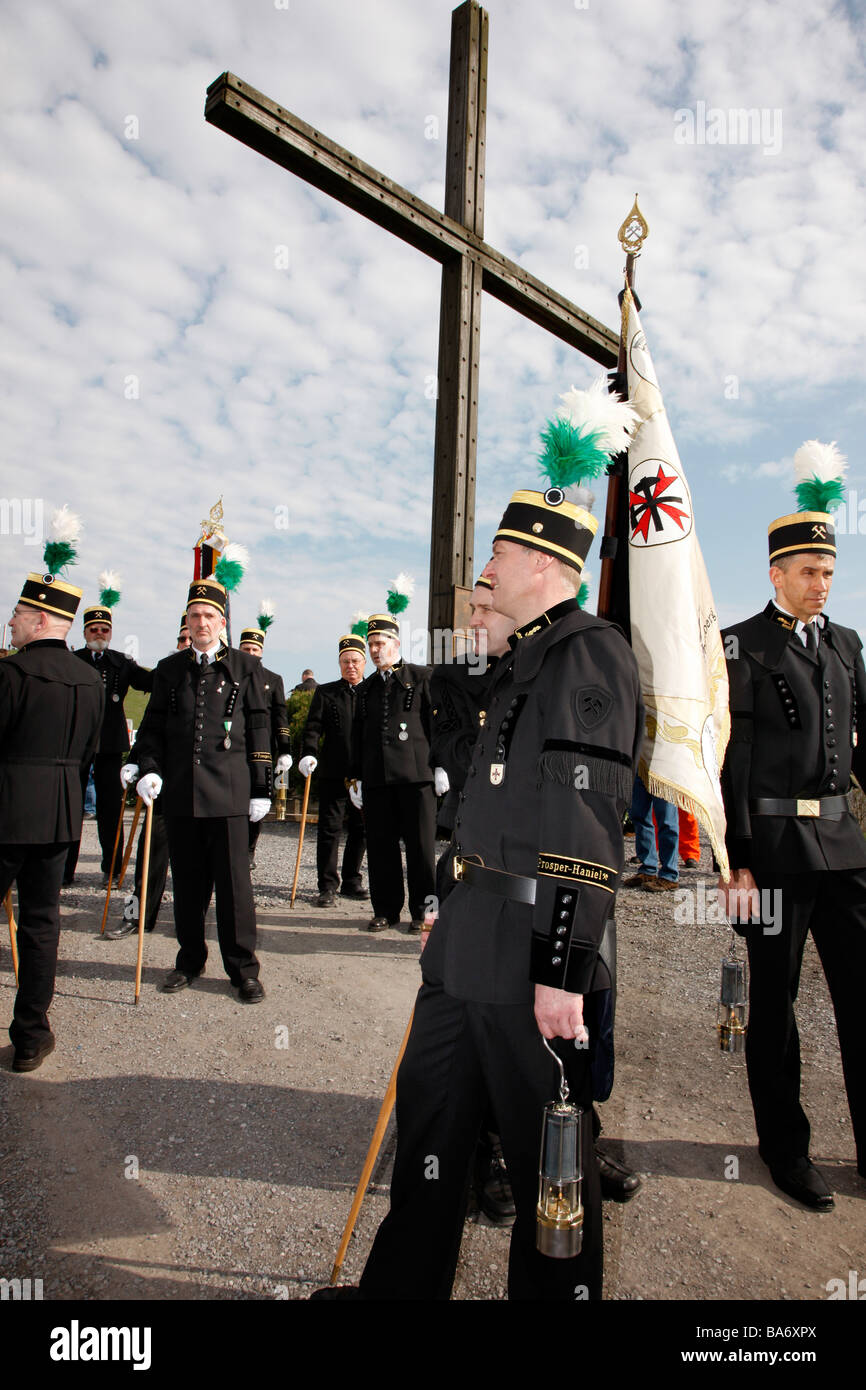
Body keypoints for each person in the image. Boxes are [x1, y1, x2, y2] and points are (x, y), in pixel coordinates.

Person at [337, 475, 643, 1299]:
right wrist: (450, 901)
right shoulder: (520, 659)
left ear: (543, 561)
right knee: (431, 1126)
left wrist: (564, 967)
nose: (488, 569)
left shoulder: (588, 651)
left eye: (499, 554)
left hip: (532, 954)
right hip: (470, 938)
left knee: (552, 1162)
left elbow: (586, 824)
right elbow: (485, 811)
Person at [717, 444, 866, 1210]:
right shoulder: (742, 644)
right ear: (776, 572)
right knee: (774, 1010)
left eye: (829, 572)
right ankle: (785, 1150)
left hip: (844, 848)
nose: (822, 584)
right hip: (772, 852)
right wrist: (734, 863)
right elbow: (729, 762)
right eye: (809, 571)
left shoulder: (846, 645)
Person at [127, 577, 272, 1002]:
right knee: (188, 887)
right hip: (182, 796)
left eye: (209, 615)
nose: (201, 622)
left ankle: (242, 969)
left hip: (229, 798)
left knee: (234, 890)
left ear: (222, 621)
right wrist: (145, 767)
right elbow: (152, 729)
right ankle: (188, 959)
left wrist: (261, 787)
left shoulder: (247, 669)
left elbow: (260, 733)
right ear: (186, 622)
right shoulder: (170, 670)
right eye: (194, 616)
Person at [1, 569, 103, 1071]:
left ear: (41, 617)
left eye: (18, 614)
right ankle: (31, 1036)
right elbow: (90, 751)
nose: (11, 622)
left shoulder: (10, 674)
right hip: (60, 814)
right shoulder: (90, 680)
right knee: (41, 924)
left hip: (6, 809)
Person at [105, 615, 201, 941]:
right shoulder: (167, 672)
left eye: (191, 638)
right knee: (150, 855)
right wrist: (136, 762)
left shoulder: (219, 674)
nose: (187, 644)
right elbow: (150, 725)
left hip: (204, 783)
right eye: (183, 639)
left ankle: (194, 923)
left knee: (199, 861)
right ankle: (136, 916)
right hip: (165, 780)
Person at [350, 613, 435, 933]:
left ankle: (425, 912)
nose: (374, 650)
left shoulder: (422, 676)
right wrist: (355, 776)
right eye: (370, 644)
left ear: (396, 643)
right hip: (377, 778)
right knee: (381, 848)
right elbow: (357, 736)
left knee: (422, 849)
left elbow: (435, 724)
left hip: (416, 778)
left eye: (380, 643)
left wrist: (440, 766)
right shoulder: (366, 688)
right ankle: (385, 909)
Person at [64, 588, 152, 886]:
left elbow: (149, 682)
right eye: (94, 629)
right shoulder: (71, 660)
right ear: (85, 630)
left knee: (110, 810)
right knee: (70, 807)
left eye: (104, 629)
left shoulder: (121, 662)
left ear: (110, 632)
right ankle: (63, 871)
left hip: (110, 745)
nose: (99, 633)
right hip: (75, 746)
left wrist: (177, 660)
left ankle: (113, 869)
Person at [298, 633, 367, 908]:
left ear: (364, 663)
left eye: (355, 661)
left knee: (361, 830)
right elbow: (313, 728)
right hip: (332, 772)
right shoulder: (325, 692)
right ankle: (327, 886)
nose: (350, 666)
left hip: (363, 774)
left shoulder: (373, 690)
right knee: (329, 830)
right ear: (339, 664)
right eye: (345, 661)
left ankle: (352, 880)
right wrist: (308, 754)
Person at [238, 608, 293, 869]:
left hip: (263, 750)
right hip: (233, 747)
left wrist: (284, 749)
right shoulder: (229, 675)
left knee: (258, 800)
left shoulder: (273, 679)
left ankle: (249, 849)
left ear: (261, 651)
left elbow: (281, 716)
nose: (250, 654)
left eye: (254, 649)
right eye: (245, 648)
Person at [622, 778, 679, 891]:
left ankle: (669, 874)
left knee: (667, 820)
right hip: (640, 765)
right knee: (639, 817)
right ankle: (648, 870)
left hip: (664, 769)